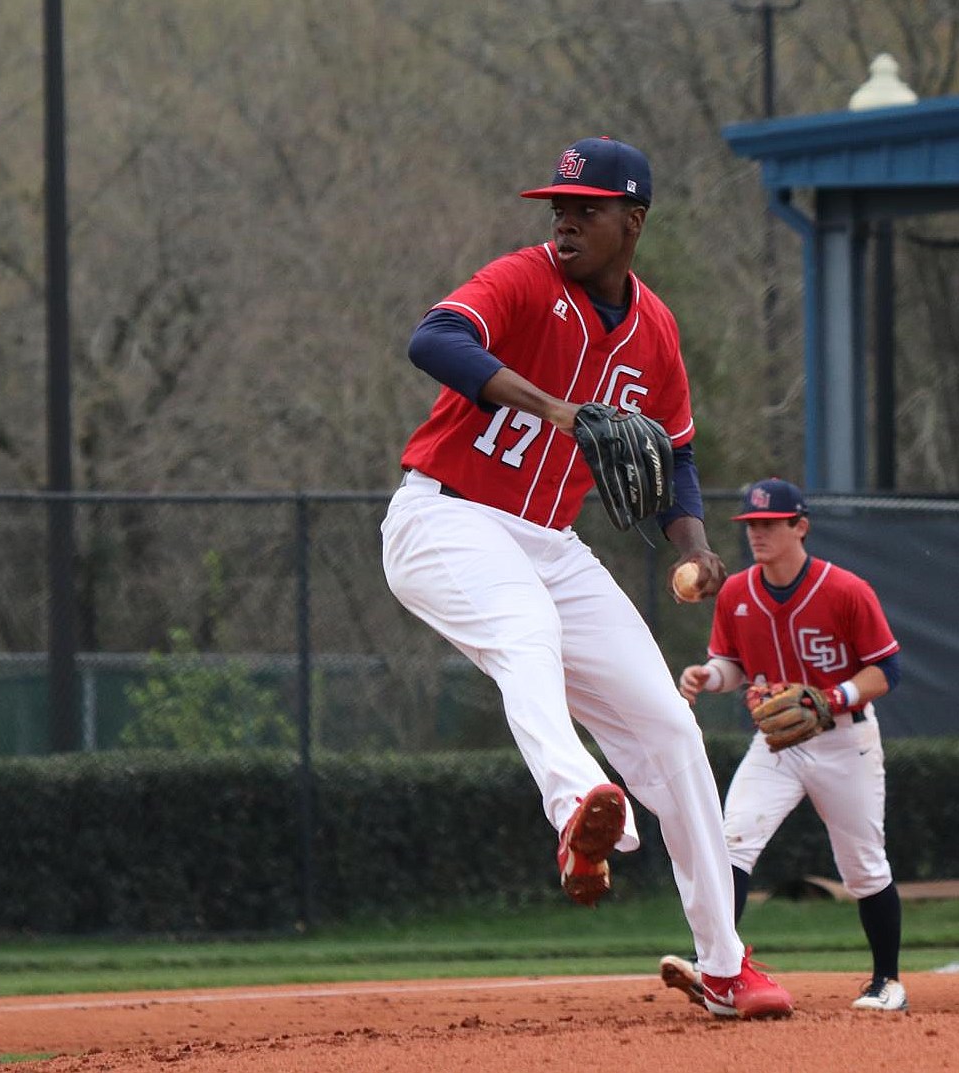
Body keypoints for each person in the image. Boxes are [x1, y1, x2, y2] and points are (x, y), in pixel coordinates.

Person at [379, 137, 794, 1020]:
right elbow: (433, 338)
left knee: (667, 728)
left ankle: (725, 965)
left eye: (588, 207)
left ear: (632, 222)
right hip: (443, 516)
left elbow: (673, 454)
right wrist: (557, 408)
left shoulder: (656, 329)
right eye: (558, 205)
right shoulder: (524, 280)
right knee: (525, 629)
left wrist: (693, 544)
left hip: (547, 539)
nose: (564, 218)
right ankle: (576, 809)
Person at [662, 477, 909, 1012]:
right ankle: (719, 970)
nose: (758, 534)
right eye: (752, 525)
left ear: (801, 526)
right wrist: (708, 676)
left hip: (845, 743)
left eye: (770, 524)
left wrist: (831, 697)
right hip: (776, 746)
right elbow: (733, 665)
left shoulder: (846, 590)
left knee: (863, 865)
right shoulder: (735, 592)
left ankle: (887, 981)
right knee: (730, 845)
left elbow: (886, 669)